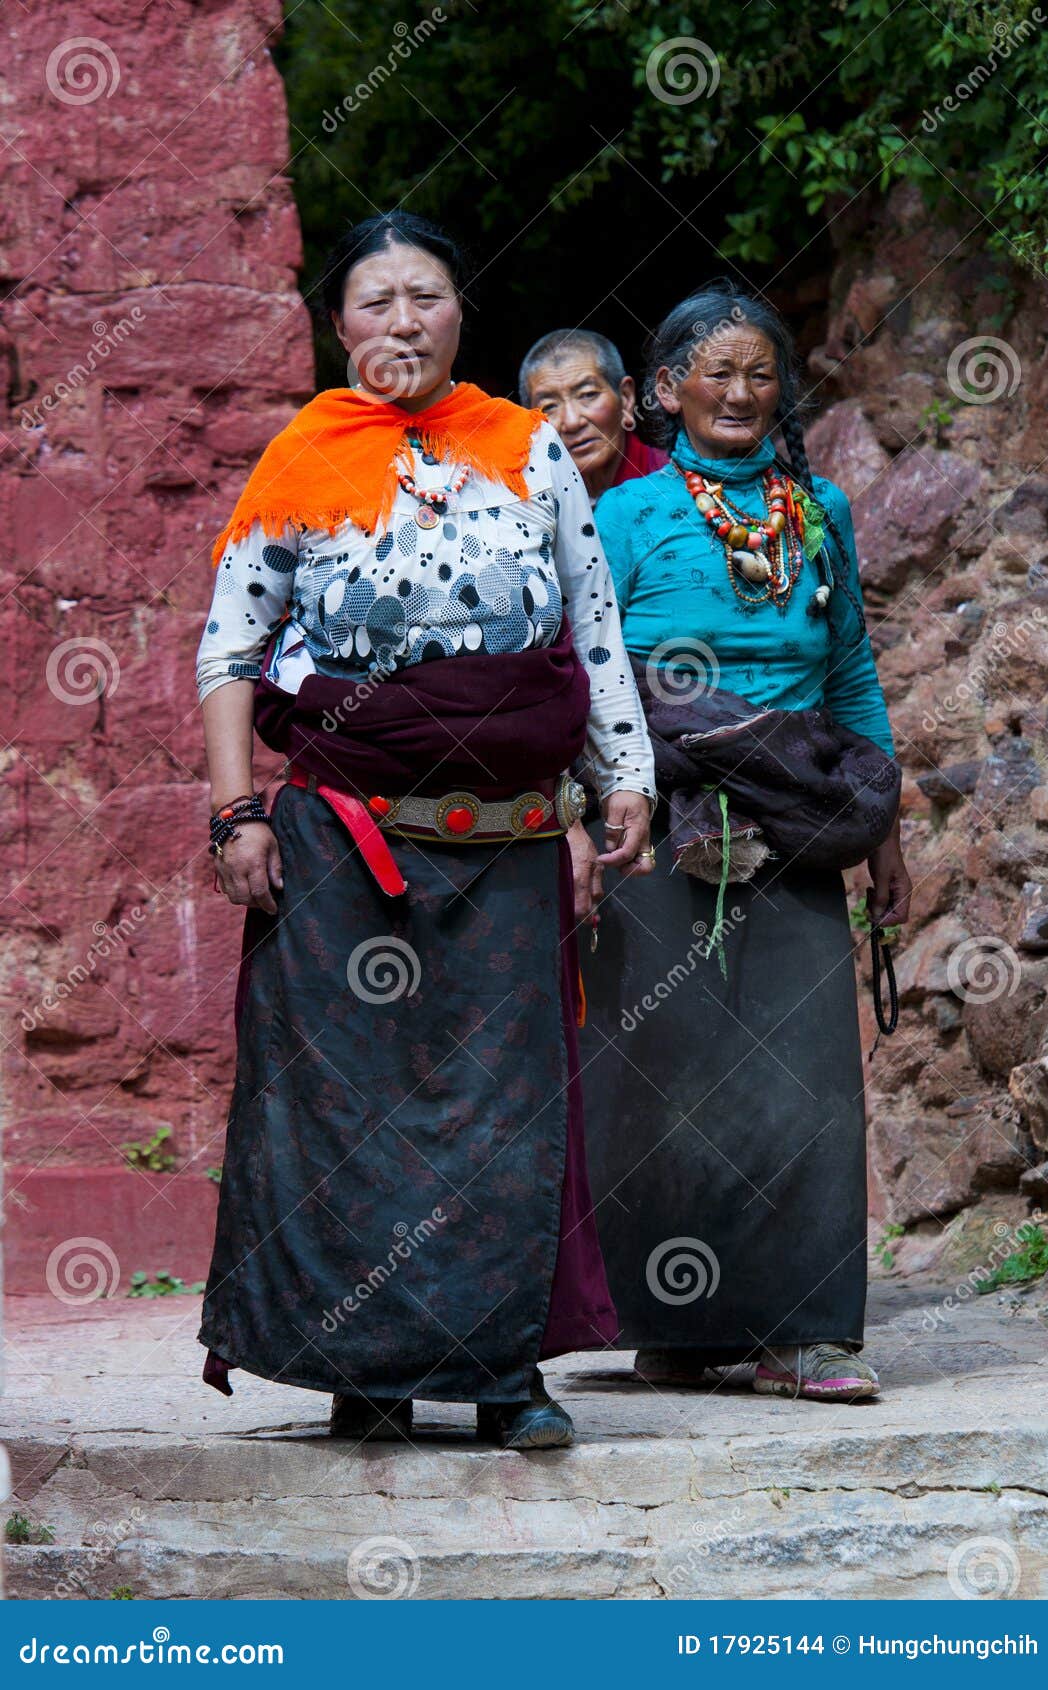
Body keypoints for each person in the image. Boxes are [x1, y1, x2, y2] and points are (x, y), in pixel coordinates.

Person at [194, 211, 656, 1450]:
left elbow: (590, 625)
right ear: (337, 322)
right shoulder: (300, 457)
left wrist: (623, 773)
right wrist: (237, 812)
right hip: (345, 848)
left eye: (427, 297)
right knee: (352, 1110)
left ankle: (506, 1378)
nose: (402, 322)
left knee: (505, 1112)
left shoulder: (526, 447)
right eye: (376, 301)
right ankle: (369, 1372)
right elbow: (230, 651)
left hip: (506, 843)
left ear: (461, 313)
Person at [577, 282, 912, 1403]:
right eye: (713, 373)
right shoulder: (623, 515)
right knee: (662, 1074)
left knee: (803, 1077)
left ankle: (804, 1330)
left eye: (758, 373)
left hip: (799, 811)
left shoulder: (819, 511)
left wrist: (883, 828)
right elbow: (588, 675)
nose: (737, 392)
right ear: (665, 392)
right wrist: (587, 817)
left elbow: (850, 668)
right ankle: (678, 1326)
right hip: (658, 819)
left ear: (781, 390)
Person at [519, 329, 667, 506]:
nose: (572, 422)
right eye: (549, 406)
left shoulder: (676, 482)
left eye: (588, 394)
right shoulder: (530, 508)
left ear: (626, 398)